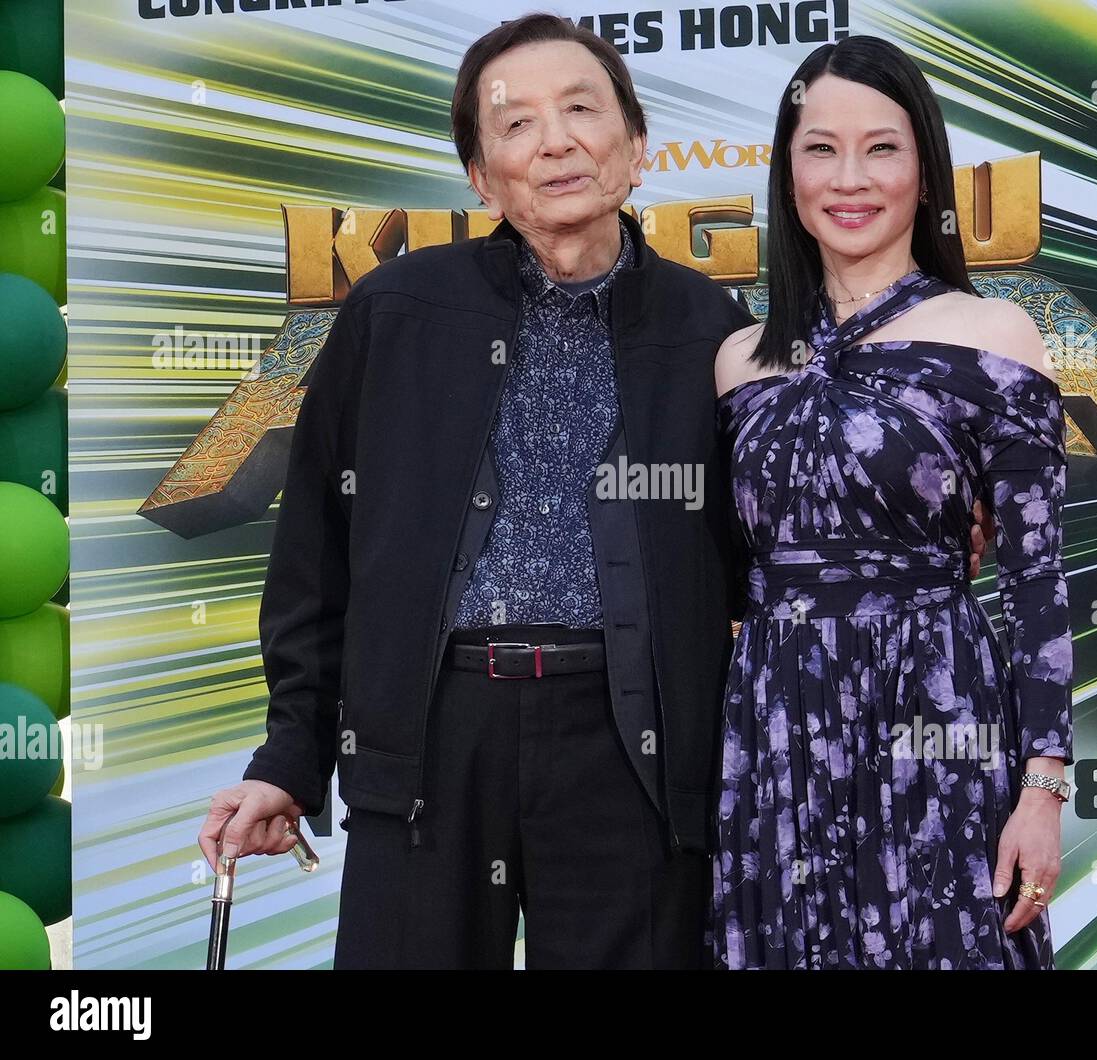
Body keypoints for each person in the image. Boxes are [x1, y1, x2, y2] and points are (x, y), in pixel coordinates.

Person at [198, 13, 993, 970]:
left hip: (638, 748)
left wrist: (905, 523)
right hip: (428, 743)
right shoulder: (398, 311)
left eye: (581, 110)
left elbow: (763, 546)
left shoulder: (717, 332)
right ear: (481, 177)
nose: (558, 141)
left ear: (638, 148)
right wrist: (291, 755)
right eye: (517, 124)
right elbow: (316, 554)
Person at [710, 35, 1075, 969]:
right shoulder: (737, 360)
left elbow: (1036, 580)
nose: (850, 178)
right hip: (777, 724)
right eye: (820, 148)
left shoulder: (994, 335)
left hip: (937, 712)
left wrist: (1043, 788)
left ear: (925, 169)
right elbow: (726, 573)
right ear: (787, 170)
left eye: (883, 147)